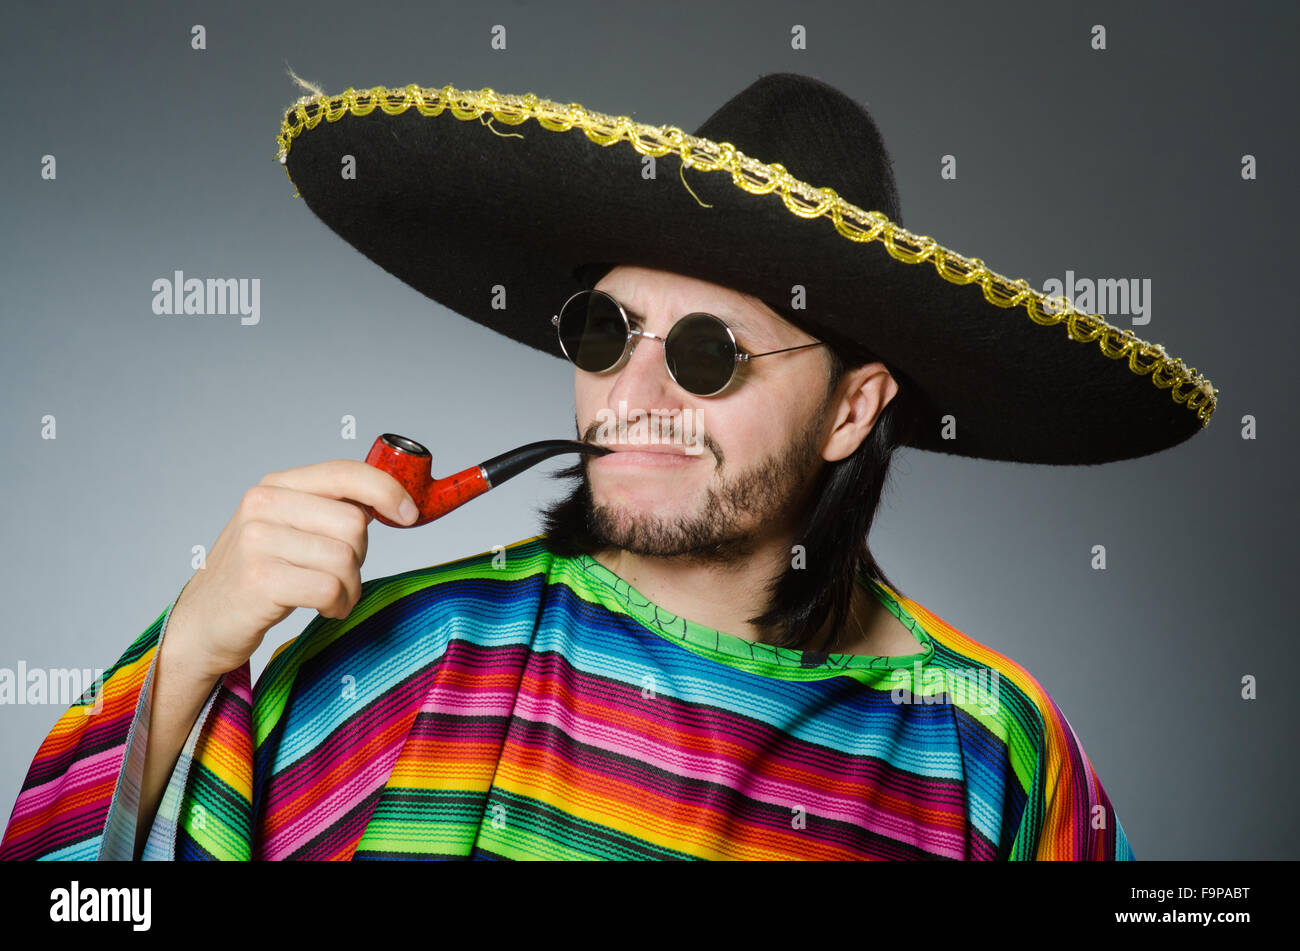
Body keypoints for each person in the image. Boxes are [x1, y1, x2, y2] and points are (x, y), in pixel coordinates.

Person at [0, 72, 1217, 861]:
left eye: (706, 354)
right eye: (601, 332)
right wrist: (187, 660)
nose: (630, 399)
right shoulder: (403, 662)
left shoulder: (992, 752)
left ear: (851, 410)